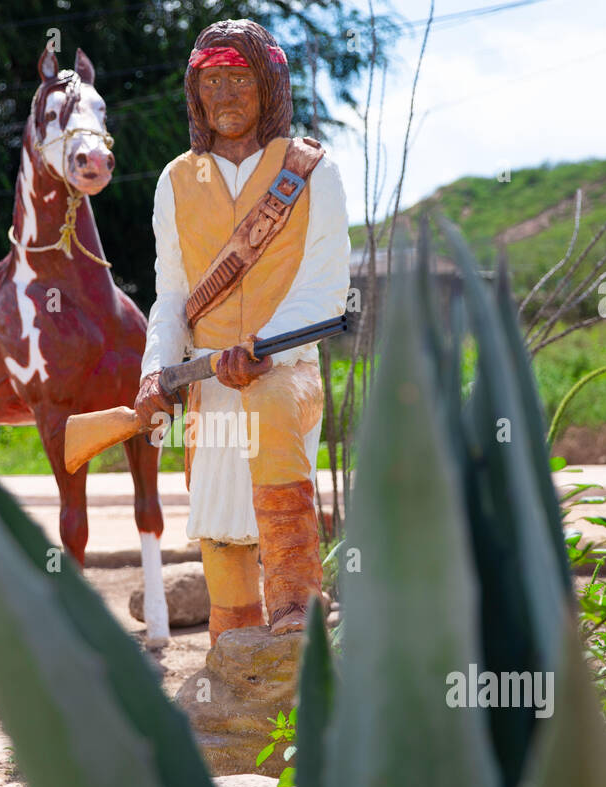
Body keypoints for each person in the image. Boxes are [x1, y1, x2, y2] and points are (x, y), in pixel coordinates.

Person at [134, 18, 350, 642]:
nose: (226, 96)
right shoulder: (174, 181)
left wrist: (264, 346)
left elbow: (324, 287)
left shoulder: (311, 172)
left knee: (275, 412)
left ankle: (293, 608)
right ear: (195, 93)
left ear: (269, 86)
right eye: (213, 82)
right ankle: (232, 652)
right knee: (215, 511)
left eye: (240, 79)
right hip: (206, 376)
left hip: (285, 369)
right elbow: (172, 292)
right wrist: (156, 368)